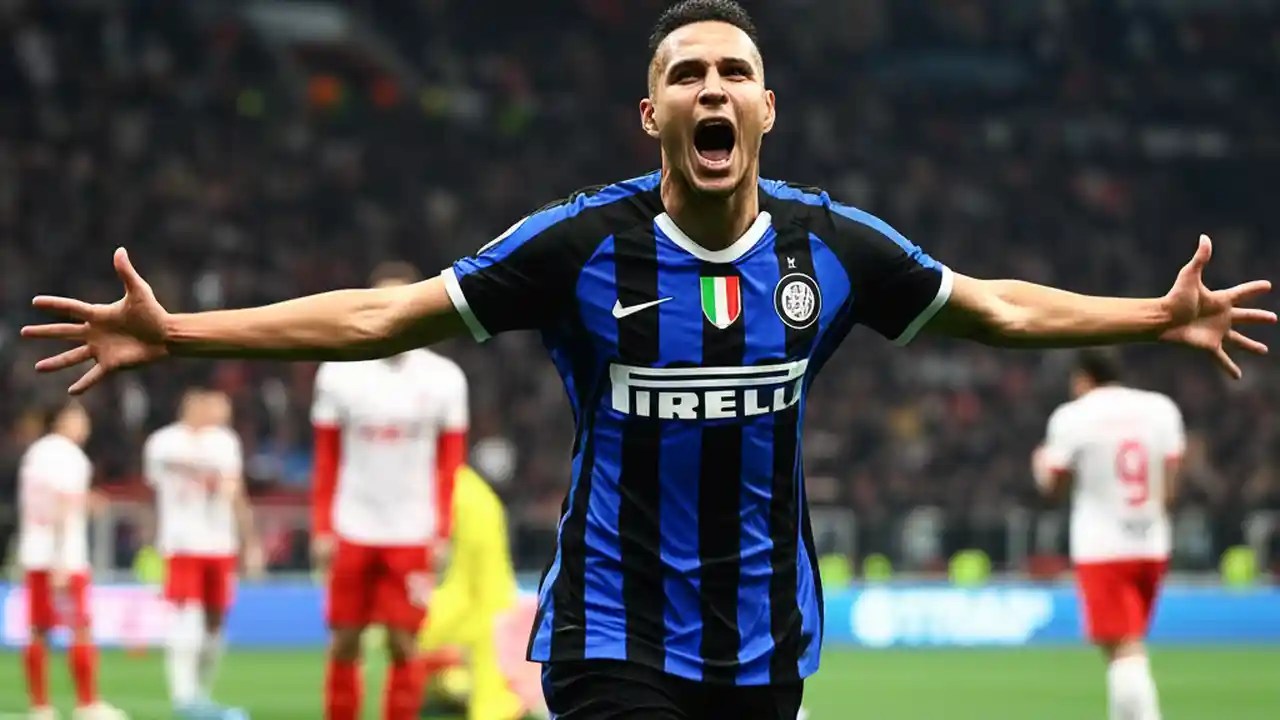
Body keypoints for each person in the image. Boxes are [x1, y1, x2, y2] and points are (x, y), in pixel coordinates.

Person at [19, 0, 1274, 716]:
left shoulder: (834, 248)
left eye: (736, 71)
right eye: (687, 73)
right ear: (654, 113)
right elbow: (375, 319)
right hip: (610, 640)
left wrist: (1151, 319)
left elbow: (990, 309)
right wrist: (180, 333)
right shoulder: (577, 246)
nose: (712, 88)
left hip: (765, 648)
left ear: (765, 110)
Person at [309, 261, 469, 720]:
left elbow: (448, 465)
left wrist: (441, 530)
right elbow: (326, 460)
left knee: (404, 641)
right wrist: (323, 528)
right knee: (344, 638)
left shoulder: (444, 379)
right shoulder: (338, 373)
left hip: (411, 528)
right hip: (352, 524)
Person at [1032, 350, 1185, 720]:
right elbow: (1170, 487)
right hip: (1152, 542)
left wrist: (1039, 465)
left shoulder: (1073, 417)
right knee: (1127, 645)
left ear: (1083, 378)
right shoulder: (1160, 409)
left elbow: (1053, 487)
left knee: (1122, 649)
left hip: (1103, 547)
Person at [143, 388, 261, 719]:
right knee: (187, 616)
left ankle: (202, 693)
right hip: (181, 543)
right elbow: (153, 493)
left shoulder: (225, 443)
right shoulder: (163, 443)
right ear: (194, 405)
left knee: (215, 621)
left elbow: (237, 493)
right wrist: (152, 539)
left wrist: (250, 541)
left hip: (220, 544)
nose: (222, 413)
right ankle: (184, 698)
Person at [17, 401, 128, 720]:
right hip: (63, 557)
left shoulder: (36, 453)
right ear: (63, 420)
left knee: (38, 629)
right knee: (80, 628)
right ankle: (87, 704)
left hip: (34, 552)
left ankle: (40, 707)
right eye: (79, 416)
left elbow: (45, 500)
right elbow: (63, 506)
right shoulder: (69, 456)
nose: (85, 422)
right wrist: (63, 559)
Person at [417, 464, 532, 720]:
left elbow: (475, 584)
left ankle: (501, 699)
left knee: (410, 632)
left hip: (481, 603)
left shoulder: (464, 496)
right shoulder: (467, 491)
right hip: (486, 599)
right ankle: (457, 687)